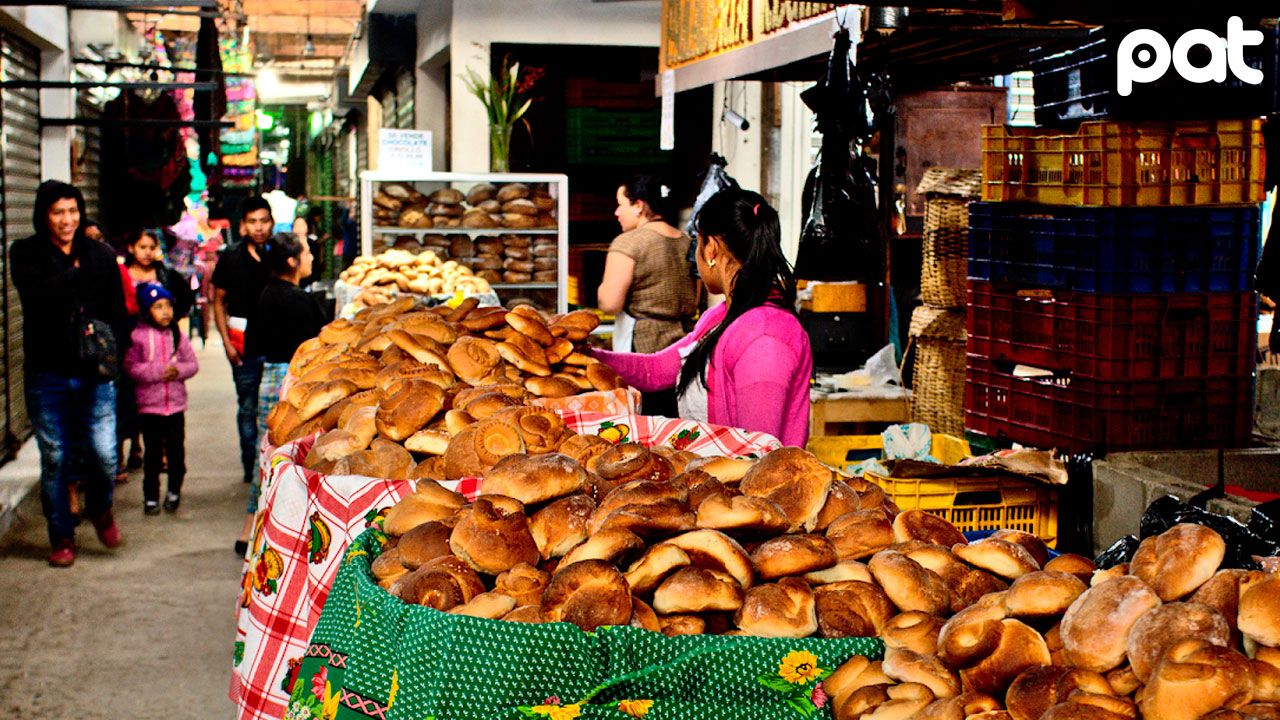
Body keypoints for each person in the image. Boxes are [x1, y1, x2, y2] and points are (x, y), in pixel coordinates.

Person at [591, 189, 812, 447]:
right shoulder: (722, 317)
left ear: (711, 249)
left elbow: (758, 452)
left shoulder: (764, 336)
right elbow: (655, 371)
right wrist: (585, 356)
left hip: (748, 485)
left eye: (698, 243)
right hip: (714, 481)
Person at [9, 180, 127, 566]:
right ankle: (61, 537)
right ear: (44, 215)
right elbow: (37, 297)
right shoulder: (25, 253)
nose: (67, 220)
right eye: (58, 212)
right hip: (48, 373)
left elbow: (116, 311)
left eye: (73, 211)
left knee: (104, 453)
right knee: (56, 457)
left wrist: (114, 356)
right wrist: (73, 276)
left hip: (95, 372)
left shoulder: (100, 256)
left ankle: (101, 507)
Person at [237, 232, 326, 556]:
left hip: (269, 380)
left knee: (270, 456)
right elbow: (317, 343)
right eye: (307, 253)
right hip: (291, 383)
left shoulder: (267, 293)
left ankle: (250, 529)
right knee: (284, 460)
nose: (312, 259)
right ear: (292, 261)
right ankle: (271, 534)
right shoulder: (295, 299)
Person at [212, 196, 273, 495]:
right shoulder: (231, 257)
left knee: (274, 407)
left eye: (264, 221)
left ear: (271, 222)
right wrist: (226, 341)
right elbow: (218, 300)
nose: (259, 227)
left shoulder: (280, 253)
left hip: (276, 343)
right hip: (242, 342)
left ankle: (269, 463)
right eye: (253, 222)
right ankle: (250, 463)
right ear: (243, 225)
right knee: (247, 405)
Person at [596, 175, 698, 354]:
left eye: (620, 204)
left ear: (638, 206)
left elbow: (610, 304)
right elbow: (697, 298)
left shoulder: (628, 243)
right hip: (685, 342)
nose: (616, 212)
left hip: (644, 345)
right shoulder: (688, 242)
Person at [124, 283, 198, 515]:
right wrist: (158, 372)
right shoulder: (137, 337)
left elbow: (192, 364)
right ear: (147, 311)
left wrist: (178, 370)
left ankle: (174, 490)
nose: (165, 311)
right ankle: (151, 497)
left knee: (177, 454)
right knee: (153, 456)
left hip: (175, 407)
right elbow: (131, 368)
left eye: (168, 306)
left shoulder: (178, 335)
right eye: (158, 307)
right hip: (149, 409)